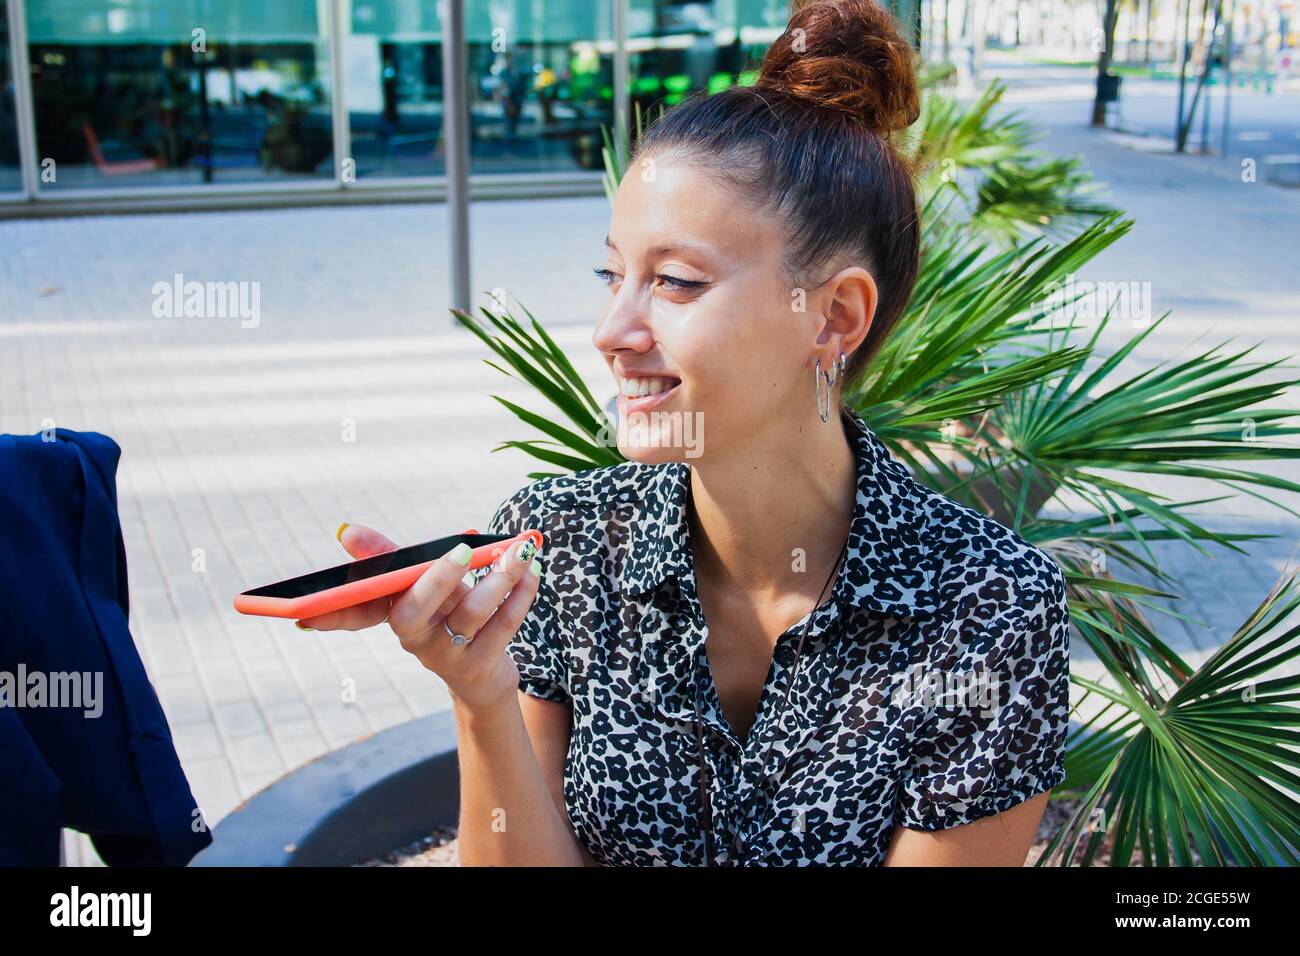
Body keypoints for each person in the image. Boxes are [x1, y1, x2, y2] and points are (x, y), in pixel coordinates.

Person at [299, 0, 1072, 866]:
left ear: (834, 317)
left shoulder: (985, 608)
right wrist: (479, 691)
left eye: (673, 281)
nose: (609, 330)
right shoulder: (567, 542)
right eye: (612, 273)